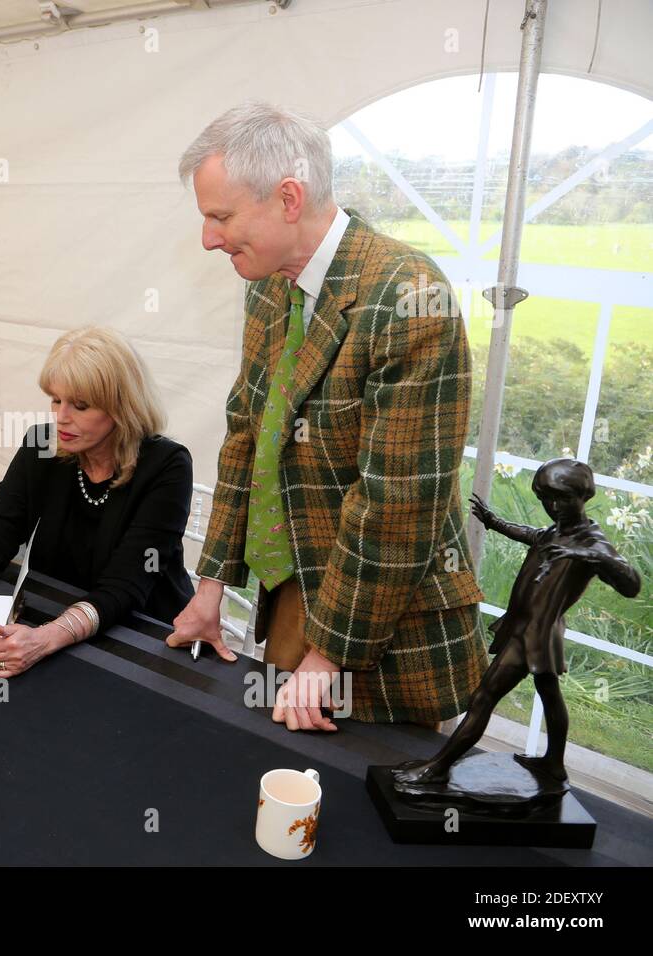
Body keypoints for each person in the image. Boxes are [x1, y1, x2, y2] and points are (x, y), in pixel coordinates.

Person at [166, 102, 489, 731]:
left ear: (288, 197)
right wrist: (210, 586)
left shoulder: (408, 296)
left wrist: (329, 655)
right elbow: (247, 441)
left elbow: (398, 500)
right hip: (294, 592)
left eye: (220, 217)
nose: (208, 238)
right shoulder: (267, 285)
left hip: (385, 632)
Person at [0, 326, 194, 676]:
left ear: (121, 406)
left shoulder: (166, 465)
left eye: (80, 405)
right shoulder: (42, 446)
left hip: (144, 633)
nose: (61, 417)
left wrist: (44, 640)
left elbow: (126, 587)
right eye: (55, 399)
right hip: (55, 614)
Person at [395, 460, 640, 785]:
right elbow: (531, 534)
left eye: (562, 499)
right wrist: (494, 522)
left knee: (484, 697)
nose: (553, 507)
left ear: (583, 496)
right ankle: (553, 764)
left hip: (533, 638)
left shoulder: (591, 542)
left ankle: (438, 767)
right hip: (525, 629)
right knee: (550, 694)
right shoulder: (555, 532)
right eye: (546, 499)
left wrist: (590, 557)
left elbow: (631, 583)